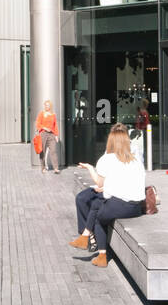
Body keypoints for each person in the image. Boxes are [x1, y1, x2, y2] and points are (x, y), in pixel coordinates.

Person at [70, 124, 146, 268]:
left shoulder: (108, 159)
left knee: (98, 217)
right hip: (136, 207)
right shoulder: (136, 161)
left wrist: (90, 168)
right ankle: (85, 236)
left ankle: (101, 255)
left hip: (120, 204)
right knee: (96, 203)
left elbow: (99, 181)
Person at [35, 99, 60, 173]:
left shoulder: (53, 115)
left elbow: (55, 126)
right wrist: (44, 127)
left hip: (51, 135)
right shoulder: (41, 114)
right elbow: (38, 124)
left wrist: (56, 135)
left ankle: (56, 168)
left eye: (48, 105)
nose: (46, 106)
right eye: (45, 105)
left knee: (53, 151)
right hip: (43, 134)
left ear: (50, 106)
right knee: (42, 151)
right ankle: (43, 168)